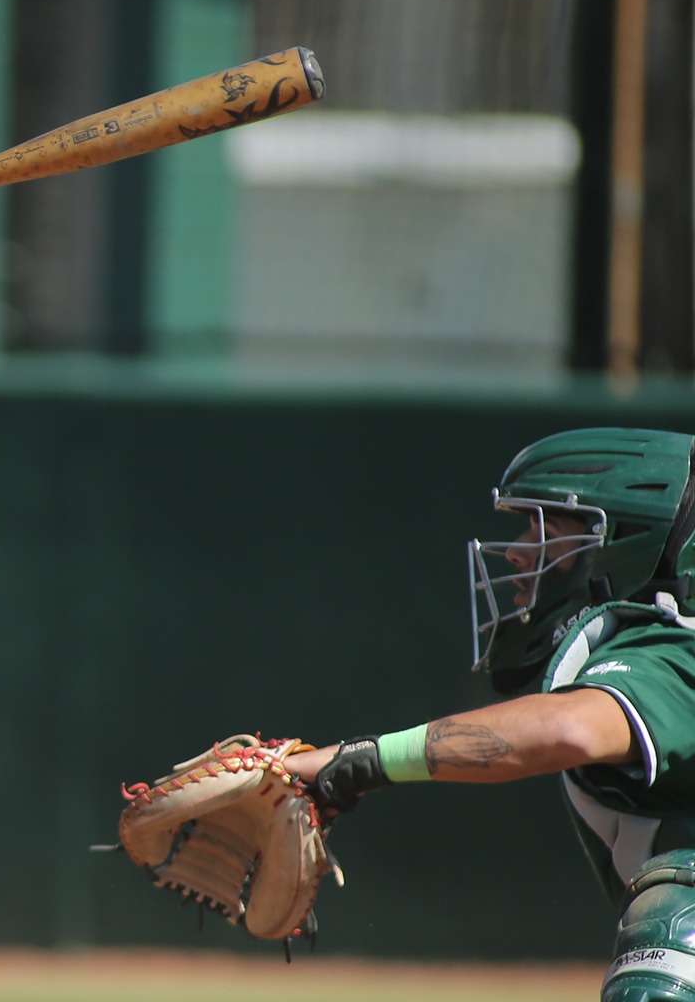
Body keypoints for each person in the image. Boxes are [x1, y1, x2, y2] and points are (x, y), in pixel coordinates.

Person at [284, 427, 695, 1000]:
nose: (516, 550)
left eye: (544, 528)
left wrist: (364, 761)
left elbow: (568, 728)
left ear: (622, 542)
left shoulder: (672, 651)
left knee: (676, 924)